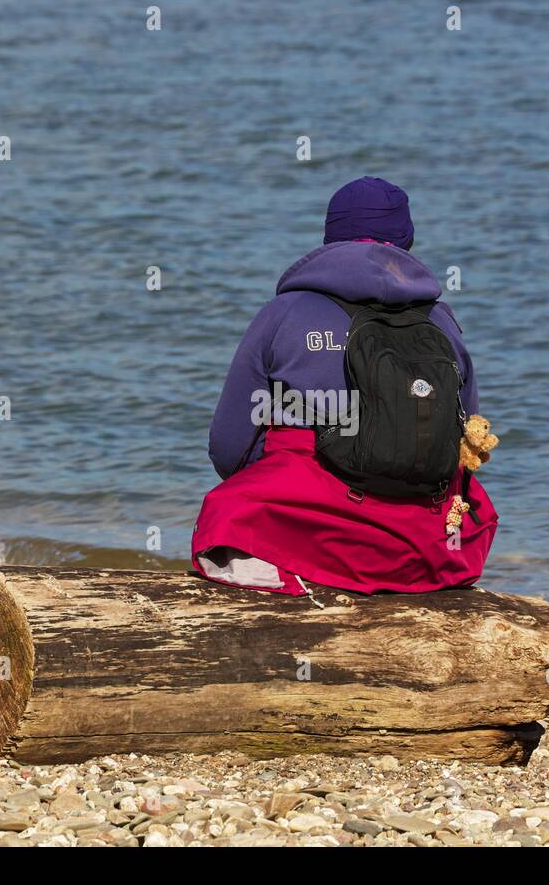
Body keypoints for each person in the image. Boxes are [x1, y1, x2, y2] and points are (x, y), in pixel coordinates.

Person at [191, 177, 497, 597]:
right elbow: (461, 440)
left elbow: (228, 445)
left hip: (313, 525)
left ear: (330, 237)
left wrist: (276, 482)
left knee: (223, 513)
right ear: (407, 238)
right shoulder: (441, 321)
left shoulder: (285, 312)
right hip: (423, 546)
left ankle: (287, 567)